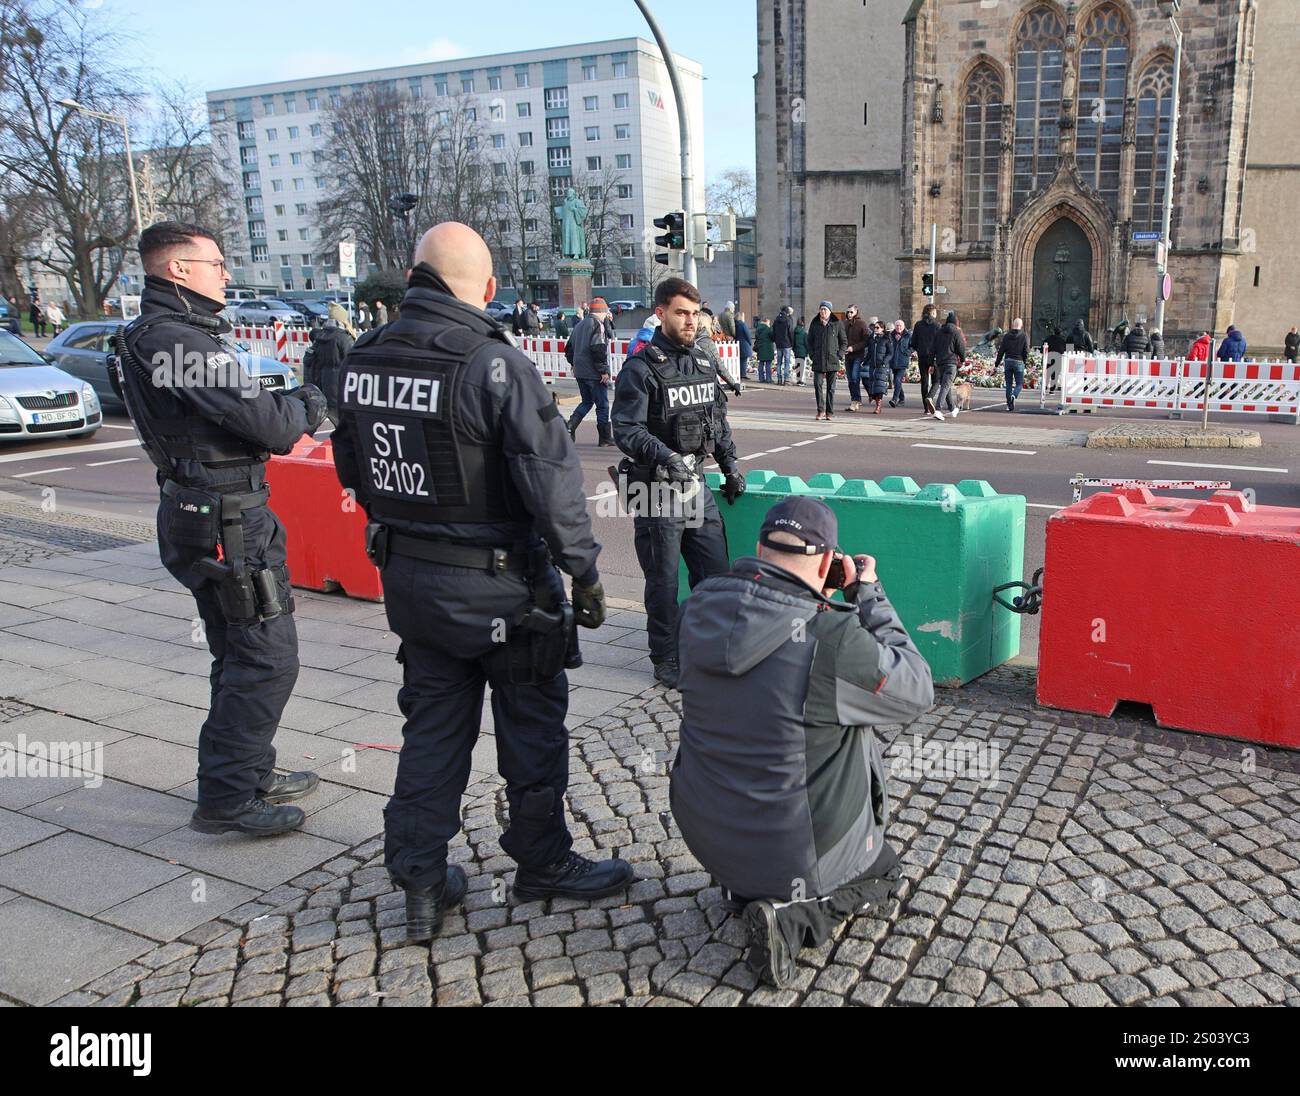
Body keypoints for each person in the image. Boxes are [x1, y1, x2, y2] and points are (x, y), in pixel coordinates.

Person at [331, 223, 630, 940]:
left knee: (432, 734)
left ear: (412, 276)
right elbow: (551, 482)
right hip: (507, 591)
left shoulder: (361, 357)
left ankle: (422, 883)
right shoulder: (494, 364)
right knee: (531, 734)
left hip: (414, 583)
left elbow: (352, 468)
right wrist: (583, 572)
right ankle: (541, 862)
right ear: (489, 289)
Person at [114, 221, 328, 836]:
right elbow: (269, 423)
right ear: (177, 270)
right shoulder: (176, 342)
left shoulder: (161, 335)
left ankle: (245, 771)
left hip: (209, 513)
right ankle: (229, 798)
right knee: (266, 658)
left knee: (237, 650)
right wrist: (308, 406)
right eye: (215, 263)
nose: (226, 274)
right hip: (227, 522)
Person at [671, 495, 933, 988]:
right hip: (790, 851)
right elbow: (916, 689)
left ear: (759, 546)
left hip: (704, 834)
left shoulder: (696, 607)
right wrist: (868, 594)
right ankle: (792, 918)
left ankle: (743, 885)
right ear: (829, 562)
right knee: (883, 871)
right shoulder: (831, 638)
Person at [611, 276, 744, 690]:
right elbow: (626, 429)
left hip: (696, 487)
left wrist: (730, 466)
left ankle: (708, 652)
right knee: (663, 582)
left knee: (715, 577)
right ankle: (665, 657)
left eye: (695, 313)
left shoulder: (704, 365)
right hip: (655, 489)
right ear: (661, 313)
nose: (691, 321)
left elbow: (716, 424)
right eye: (681, 313)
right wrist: (665, 456)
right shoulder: (641, 369)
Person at [565, 297, 615, 446]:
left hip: (580, 371)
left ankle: (570, 427)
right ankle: (605, 438)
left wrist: (573, 363)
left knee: (586, 402)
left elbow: (568, 348)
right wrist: (603, 371)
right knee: (603, 405)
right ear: (603, 311)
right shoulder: (597, 325)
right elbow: (598, 349)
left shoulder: (579, 325)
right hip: (594, 373)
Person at [302, 309, 356, 426]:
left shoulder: (321, 336)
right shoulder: (344, 338)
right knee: (346, 424)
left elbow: (310, 362)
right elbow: (353, 362)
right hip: (342, 385)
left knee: (332, 419)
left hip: (324, 383)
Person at [808, 301, 846, 422]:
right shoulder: (814, 324)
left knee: (831, 388)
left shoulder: (837, 323)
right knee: (817, 385)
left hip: (832, 360)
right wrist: (812, 355)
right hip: (818, 360)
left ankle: (829, 412)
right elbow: (809, 341)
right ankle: (820, 410)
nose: (823, 311)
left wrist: (839, 355)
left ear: (830, 311)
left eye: (825, 309)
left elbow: (844, 341)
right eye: (821, 309)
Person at [930, 311, 967, 421]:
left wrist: (932, 362)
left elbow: (933, 348)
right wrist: (963, 359)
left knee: (946, 386)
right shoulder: (956, 332)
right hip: (951, 362)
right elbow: (961, 347)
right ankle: (938, 409)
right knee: (946, 386)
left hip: (940, 363)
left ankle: (953, 408)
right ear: (956, 322)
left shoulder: (939, 331)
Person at [910, 304, 940, 413]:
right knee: (937, 380)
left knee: (924, 382)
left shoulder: (918, 325)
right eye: (935, 312)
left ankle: (926, 408)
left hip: (922, 356)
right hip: (934, 356)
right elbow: (939, 343)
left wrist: (919, 349)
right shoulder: (937, 325)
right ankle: (930, 397)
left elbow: (913, 342)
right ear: (932, 313)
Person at [996, 318, 1030, 412]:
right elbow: (1026, 351)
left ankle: (1009, 405)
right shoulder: (1024, 336)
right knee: (1019, 383)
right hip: (1019, 361)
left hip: (1008, 361)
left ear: (1012, 325)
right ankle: (1014, 395)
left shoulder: (1006, 336)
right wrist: (1025, 362)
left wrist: (997, 363)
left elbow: (1001, 350)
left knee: (1009, 383)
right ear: (1021, 325)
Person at [841, 305, 869, 412]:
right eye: (848, 312)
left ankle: (855, 400)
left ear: (856, 312)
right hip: (848, 355)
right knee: (850, 379)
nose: (849, 314)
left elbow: (866, 341)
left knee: (854, 377)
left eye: (851, 312)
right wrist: (843, 348)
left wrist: (854, 347)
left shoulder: (861, 324)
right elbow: (842, 338)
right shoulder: (844, 323)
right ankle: (855, 400)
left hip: (858, 355)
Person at [865, 319, 892, 414]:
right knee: (872, 384)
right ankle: (872, 397)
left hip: (882, 366)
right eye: (874, 327)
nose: (875, 329)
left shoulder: (886, 339)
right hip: (873, 365)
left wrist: (884, 362)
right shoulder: (872, 339)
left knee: (879, 387)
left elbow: (890, 353)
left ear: (882, 329)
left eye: (877, 327)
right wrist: (865, 361)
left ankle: (878, 407)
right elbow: (869, 353)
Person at [888, 320, 911, 407]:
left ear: (904, 326)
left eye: (900, 326)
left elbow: (912, 346)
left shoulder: (908, 335)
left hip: (902, 361)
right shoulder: (891, 335)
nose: (898, 327)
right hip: (893, 361)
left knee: (897, 379)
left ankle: (894, 399)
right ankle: (902, 399)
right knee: (895, 381)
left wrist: (907, 352)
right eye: (897, 325)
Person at [754, 314, 774, 384]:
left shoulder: (758, 328)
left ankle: (761, 378)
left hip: (760, 347)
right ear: (767, 322)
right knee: (768, 364)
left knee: (761, 363)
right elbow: (772, 337)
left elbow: (756, 337)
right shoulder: (768, 329)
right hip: (768, 348)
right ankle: (768, 379)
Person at [735, 310, 753, 381]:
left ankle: (740, 374)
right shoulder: (742, 324)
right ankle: (743, 375)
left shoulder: (735, 324)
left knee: (740, 360)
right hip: (744, 344)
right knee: (744, 360)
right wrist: (750, 342)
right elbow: (747, 334)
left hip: (738, 343)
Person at [793, 314, 809, 384]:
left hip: (796, 351)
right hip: (803, 351)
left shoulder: (794, 332)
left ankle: (798, 379)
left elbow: (793, 342)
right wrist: (808, 351)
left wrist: (794, 349)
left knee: (798, 365)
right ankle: (801, 380)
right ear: (802, 324)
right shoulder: (804, 333)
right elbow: (806, 343)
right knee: (802, 366)